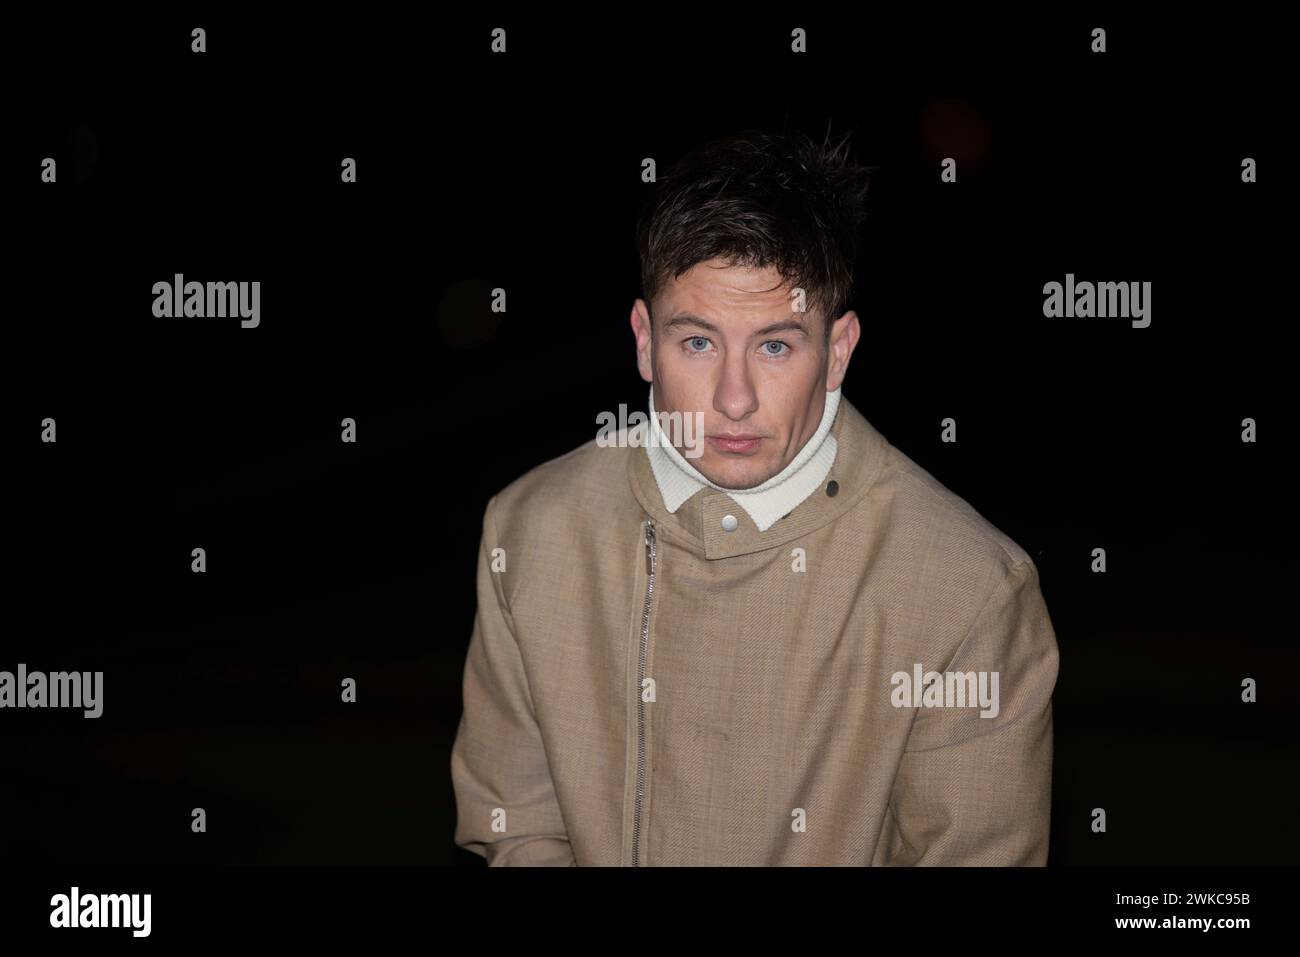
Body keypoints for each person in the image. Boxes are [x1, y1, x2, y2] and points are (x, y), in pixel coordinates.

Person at [451, 128, 1059, 865]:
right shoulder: (530, 531)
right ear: (644, 339)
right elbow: (514, 826)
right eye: (698, 341)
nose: (734, 400)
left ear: (838, 350)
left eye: (775, 345)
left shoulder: (968, 591)